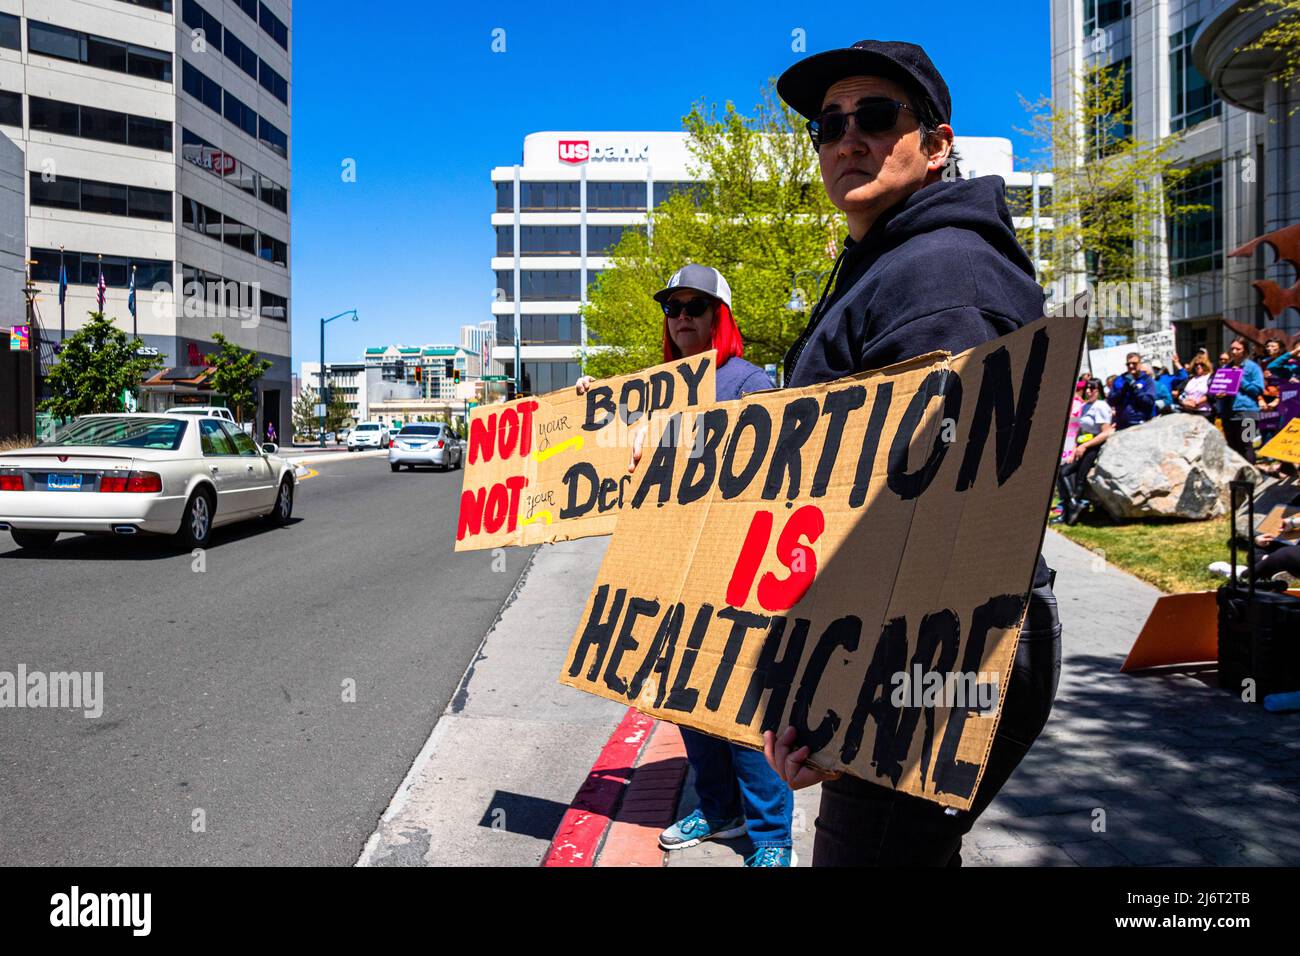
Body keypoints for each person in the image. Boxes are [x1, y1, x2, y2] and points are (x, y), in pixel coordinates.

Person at [753, 39, 1063, 866]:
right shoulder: (889, 262)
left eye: (876, 116)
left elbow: (954, 509)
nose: (846, 138)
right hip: (908, 642)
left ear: (937, 143)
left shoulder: (940, 274)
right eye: (828, 124)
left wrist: (840, 699)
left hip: (932, 649)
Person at [575, 264, 793, 867]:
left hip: (736, 568)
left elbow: (777, 469)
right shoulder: (654, 389)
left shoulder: (752, 382)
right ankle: (720, 811)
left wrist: (680, 442)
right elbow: (612, 456)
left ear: (721, 317)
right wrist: (596, 412)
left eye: (697, 306)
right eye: (673, 308)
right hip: (673, 567)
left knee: (741, 706)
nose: (683, 317)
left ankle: (771, 838)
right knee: (689, 699)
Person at [1056, 378, 1114, 525]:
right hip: (1082, 445)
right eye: (1087, 388)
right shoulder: (1085, 406)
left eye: (1092, 388)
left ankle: (1072, 512)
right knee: (1063, 472)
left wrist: (1085, 446)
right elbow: (1080, 429)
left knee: (1080, 479)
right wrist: (1075, 447)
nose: (1088, 391)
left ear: (1098, 390)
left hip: (1094, 446)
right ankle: (1074, 504)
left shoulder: (1101, 406)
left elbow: (1105, 432)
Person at [1216, 336, 1265, 463]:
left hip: (1248, 413)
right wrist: (1218, 393)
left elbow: (1258, 389)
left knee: (1246, 445)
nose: (1234, 351)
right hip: (1229, 413)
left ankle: (1249, 479)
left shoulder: (1253, 367)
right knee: (1232, 446)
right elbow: (1219, 386)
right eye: (1232, 349)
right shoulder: (1225, 368)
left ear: (1244, 351)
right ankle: (1237, 478)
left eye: (1238, 349)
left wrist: (1240, 378)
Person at [1107, 352, 1157, 428]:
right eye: (1128, 364)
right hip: (1123, 424)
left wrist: (1135, 388)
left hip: (1142, 423)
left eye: (1134, 363)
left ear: (1140, 364)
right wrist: (1122, 390)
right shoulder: (1119, 380)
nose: (1131, 366)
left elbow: (1149, 402)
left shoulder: (1147, 379)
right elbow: (1110, 401)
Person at [1177, 352, 1215, 418]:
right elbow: (1180, 392)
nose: (1198, 366)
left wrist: (1196, 403)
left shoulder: (1211, 377)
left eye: (1202, 364)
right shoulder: (1190, 378)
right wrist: (1184, 402)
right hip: (1187, 412)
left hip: (1204, 413)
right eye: (1196, 364)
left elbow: (1211, 394)